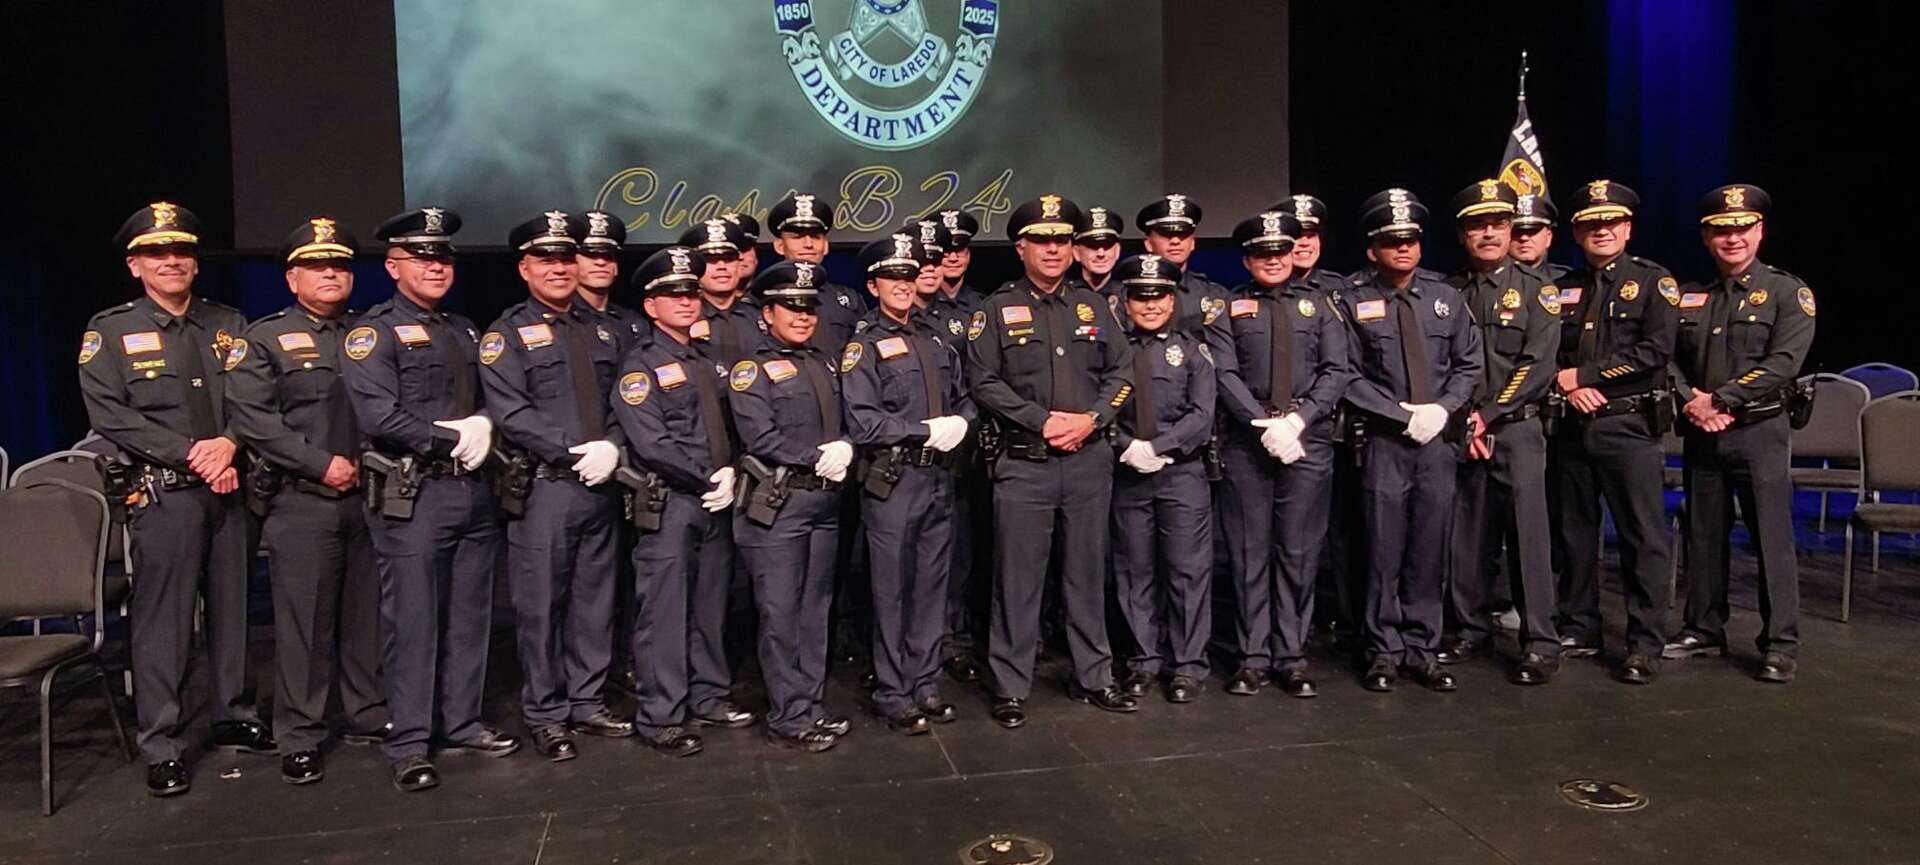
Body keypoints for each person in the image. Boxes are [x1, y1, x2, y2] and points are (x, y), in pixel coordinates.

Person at [78, 201, 273, 797]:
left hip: (230, 488)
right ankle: (162, 741)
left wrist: (231, 443)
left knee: (235, 608)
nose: (172, 261)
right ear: (136, 265)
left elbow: (253, 398)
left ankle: (233, 713)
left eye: (181, 252)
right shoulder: (108, 331)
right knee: (163, 622)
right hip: (166, 496)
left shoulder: (229, 323)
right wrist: (196, 453)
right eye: (157, 253)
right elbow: (112, 416)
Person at [343, 207, 518, 792]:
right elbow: (378, 414)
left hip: (472, 491)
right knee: (413, 622)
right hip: (413, 493)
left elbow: (491, 397)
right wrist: (450, 436)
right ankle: (411, 741)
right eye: (423, 257)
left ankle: (463, 720)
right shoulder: (374, 332)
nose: (437, 266)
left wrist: (486, 427)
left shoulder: (465, 329)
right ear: (394, 267)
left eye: (443, 257)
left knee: (472, 617)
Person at [225, 217, 390, 786]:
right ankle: (300, 733)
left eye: (340, 265)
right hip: (303, 500)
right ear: (292, 278)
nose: (331, 274)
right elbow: (254, 421)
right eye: (318, 266)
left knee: (366, 616)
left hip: (371, 495)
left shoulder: (371, 333)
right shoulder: (263, 340)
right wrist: (320, 463)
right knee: (305, 624)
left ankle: (367, 712)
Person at [968, 194, 1138, 728]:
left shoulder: (1095, 307)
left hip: (1088, 460)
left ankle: (1095, 675)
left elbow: (1123, 374)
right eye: (1042, 240)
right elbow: (983, 381)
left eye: (1062, 240)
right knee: (1017, 581)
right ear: (1021, 248)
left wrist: (1091, 418)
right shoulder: (994, 310)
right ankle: (1011, 684)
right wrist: (1041, 421)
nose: (1053, 249)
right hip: (1025, 464)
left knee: (1087, 575)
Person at [478, 211, 634, 762]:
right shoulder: (506, 333)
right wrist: (574, 451)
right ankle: (546, 713)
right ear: (524, 267)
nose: (560, 268)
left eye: (567, 258)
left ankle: (588, 701)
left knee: (596, 601)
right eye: (546, 259)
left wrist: (612, 446)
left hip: (602, 484)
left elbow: (626, 399)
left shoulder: (606, 328)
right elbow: (512, 412)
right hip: (545, 488)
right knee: (541, 606)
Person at [1664, 184, 1814, 683]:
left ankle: (1780, 643)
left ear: (1760, 231)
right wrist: (1692, 401)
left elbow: (1783, 364)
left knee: (1771, 538)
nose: (1733, 238)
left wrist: (1720, 399)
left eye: (1743, 228)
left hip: (1758, 430)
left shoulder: (1787, 292)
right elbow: (1668, 360)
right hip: (1704, 431)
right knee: (1703, 534)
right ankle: (1704, 629)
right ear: (1707, 237)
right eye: (1722, 230)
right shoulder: (1691, 296)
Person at [1336, 189, 1483, 693]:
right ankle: (1382, 650)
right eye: (1391, 241)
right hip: (1385, 443)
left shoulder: (1445, 298)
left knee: (1428, 546)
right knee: (1382, 548)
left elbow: (1469, 364)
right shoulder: (1353, 301)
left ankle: (1423, 647)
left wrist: (1442, 409)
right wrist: (1400, 414)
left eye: (1411, 240)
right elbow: (1348, 376)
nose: (1403, 248)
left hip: (1437, 443)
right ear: (1372, 248)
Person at [610, 246, 746, 757]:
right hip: (669, 501)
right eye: (672, 294)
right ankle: (661, 714)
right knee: (664, 612)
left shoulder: (708, 362)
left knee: (710, 604)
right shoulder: (641, 368)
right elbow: (652, 443)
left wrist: (730, 472)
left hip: (715, 498)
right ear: (650, 306)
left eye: (690, 292)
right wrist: (709, 477)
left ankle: (709, 695)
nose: (686, 301)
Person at [1212, 210, 1352, 698]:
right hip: (1248, 445)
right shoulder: (1228, 309)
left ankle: (1291, 656)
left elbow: (1337, 371)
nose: (1272, 260)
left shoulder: (1323, 307)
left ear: (1294, 254)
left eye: (1280, 252)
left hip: (1306, 442)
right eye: (1261, 254)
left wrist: (1297, 421)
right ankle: (1251, 657)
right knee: (1249, 555)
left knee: (1298, 552)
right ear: (1247, 260)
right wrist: (1262, 424)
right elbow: (1224, 375)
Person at [1547, 180, 1680, 685]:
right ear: (1578, 233)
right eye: (1591, 224)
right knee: (1574, 534)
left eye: (1611, 223)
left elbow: (1655, 352)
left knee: (1642, 537)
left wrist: (1586, 377)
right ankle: (1580, 626)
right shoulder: (1561, 287)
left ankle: (1645, 642)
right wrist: (1569, 385)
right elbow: (1547, 354)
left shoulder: (1653, 282)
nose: (1601, 230)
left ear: (1627, 228)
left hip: (1628, 424)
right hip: (1572, 425)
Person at [842, 232, 974, 732]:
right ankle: (893, 688)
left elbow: (963, 394)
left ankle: (925, 681)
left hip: (940, 476)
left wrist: (962, 422)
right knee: (892, 589)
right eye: (892, 277)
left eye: (908, 274)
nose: (902, 283)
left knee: (931, 587)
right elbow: (863, 423)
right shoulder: (864, 345)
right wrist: (926, 430)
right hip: (894, 479)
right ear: (874, 285)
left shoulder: (933, 335)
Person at [1439, 181, 1564, 685]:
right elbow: (1444, 364)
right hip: (1463, 428)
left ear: (1512, 229)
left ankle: (1540, 642)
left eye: (1497, 223)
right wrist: (1464, 416)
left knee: (1528, 538)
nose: (1488, 233)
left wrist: (1486, 414)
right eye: (1476, 225)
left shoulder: (1538, 291)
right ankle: (1470, 628)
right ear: (1463, 234)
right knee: (1465, 536)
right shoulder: (1447, 294)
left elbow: (1537, 365)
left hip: (1515, 429)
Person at [728, 261, 854, 752]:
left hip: (823, 502)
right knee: (781, 614)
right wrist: (815, 456)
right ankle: (788, 714)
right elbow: (759, 435)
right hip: (779, 503)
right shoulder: (750, 369)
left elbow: (844, 419)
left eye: (808, 308)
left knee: (813, 611)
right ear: (768, 313)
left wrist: (845, 446)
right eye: (792, 308)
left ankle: (810, 704)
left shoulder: (823, 362)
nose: (803, 316)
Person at [1107, 254, 1218, 703]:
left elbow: (1202, 414)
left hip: (1181, 473)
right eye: (1141, 296)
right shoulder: (1111, 350)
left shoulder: (1194, 350)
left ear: (1173, 300)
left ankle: (1187, 665)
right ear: (1126, 301)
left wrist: (1159, 447)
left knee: (1187, 571)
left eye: (1159, 296)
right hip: (1128, 471)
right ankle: (1143, 660)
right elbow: (1098, 407)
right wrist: (1124, 444)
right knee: (1134, 572)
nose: (1150, 305)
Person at [766, 193, 869, 352]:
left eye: (815, 237)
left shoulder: (850, 300)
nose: (808, 244)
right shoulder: (763, 299)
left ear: (826, 246)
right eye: (797, 237)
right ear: (780, 246)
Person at [1136, 194, 1229, 338]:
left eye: (1183, 234)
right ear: (1148, 243)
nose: (1175, 241)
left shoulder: (1214, 295)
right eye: (1166, 234)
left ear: (1192, 242)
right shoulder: (1128, 296)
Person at [686, 218, 761, 367]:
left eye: (728, 259)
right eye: (711, 260)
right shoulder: (684, 318)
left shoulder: (760, 317)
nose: (721, 266)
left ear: (739, 264)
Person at [574, 209, 650, 355]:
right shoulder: (564, 321)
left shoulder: (634, 323)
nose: (601, 262)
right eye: (590, 255)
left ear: (615, 267)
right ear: (572, 262)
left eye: (608, 256)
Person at [1510, 195, 1570, 282]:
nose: (1524, 238)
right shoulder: (1490, 282)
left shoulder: (1565, 280)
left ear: (1548, 237)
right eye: (1517, 231)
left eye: (1533, 231)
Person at [1071, 207, 1124, 293]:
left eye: (1107, 246)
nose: (1101, 254)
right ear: (1076, 253)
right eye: (1093, 246)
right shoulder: (1064, 297)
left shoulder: (1128, 296)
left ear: (1117, 251)